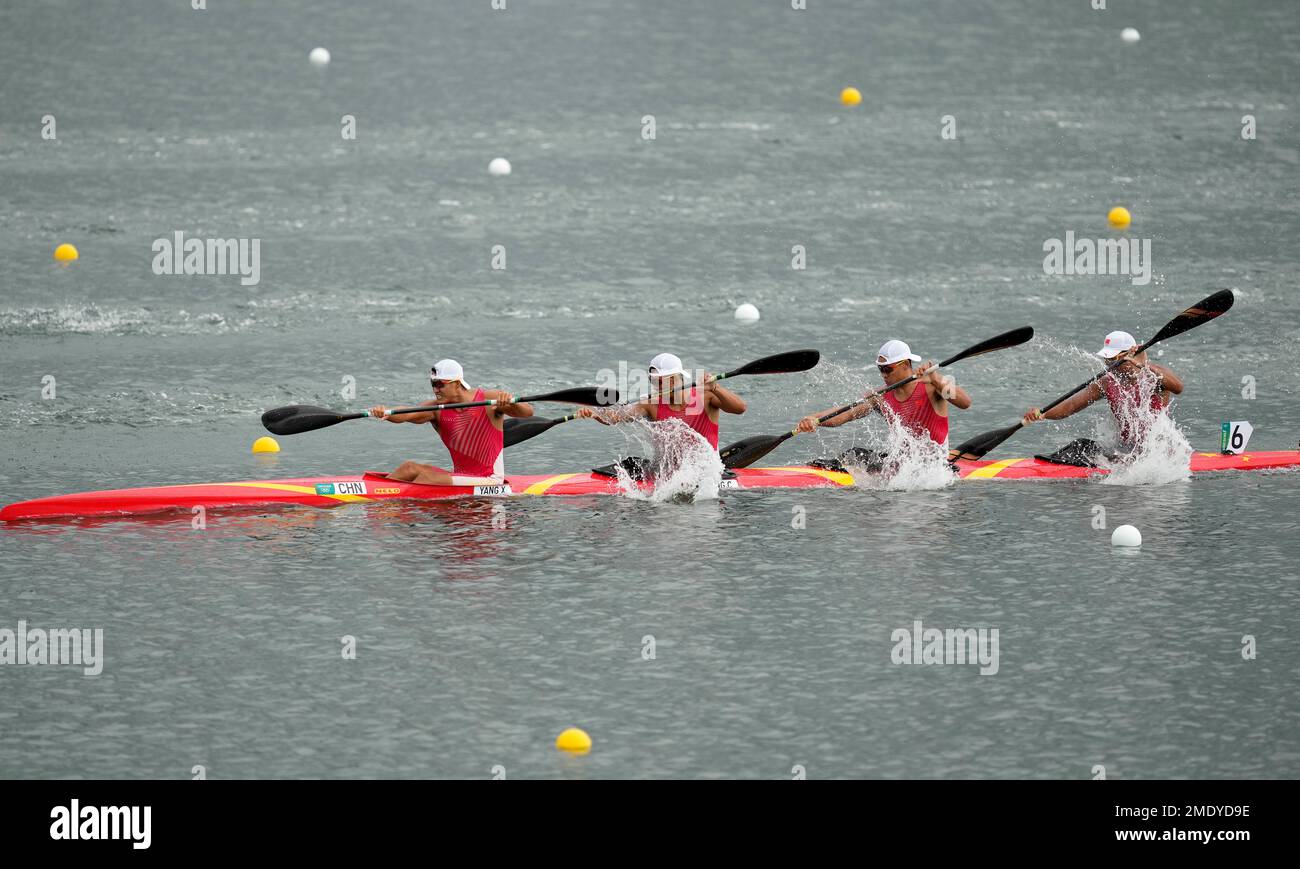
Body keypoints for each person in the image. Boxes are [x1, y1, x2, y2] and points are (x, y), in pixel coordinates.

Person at [369, 359, 532, 485]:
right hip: (462, 477)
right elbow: (406, 414)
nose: (435, 390)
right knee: (409, 467)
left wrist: (512, 403)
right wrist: (387, 413)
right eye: (433, 384)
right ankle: (372, 491)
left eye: (440, 384)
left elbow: (527, 413)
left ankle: (392, 505)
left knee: (427, 477)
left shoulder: (489, 399)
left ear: (456, 383)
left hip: (489, 480)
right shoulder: (436, 408)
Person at [1021, 330, 1183, 456]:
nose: (1108, 363)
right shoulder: (1107, 382)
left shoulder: (1152, 375)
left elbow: (1178, 387)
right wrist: (1042, 414)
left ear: (1129, 355)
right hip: (1125, 448)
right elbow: (1070, 406)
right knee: (1079, 447)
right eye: (1107, 359)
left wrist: (1143, 365)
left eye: (1112, 359)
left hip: (1155, 450)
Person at [794, 340, 971, 444]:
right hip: (903, 468)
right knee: (853, 455)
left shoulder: (933, 385)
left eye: (888, 369)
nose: (884, 374)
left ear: (906, 365)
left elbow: (965, 403)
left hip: (934, 467)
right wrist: (814, 419)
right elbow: (845, 414)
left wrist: (936, 379)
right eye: (881, 369)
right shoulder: (879, 397)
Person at [576, 352, 747, 448]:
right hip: (669, 476)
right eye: (655, 381)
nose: (660, 385)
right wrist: (594, 413)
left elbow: (740, 408)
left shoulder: (705, 395)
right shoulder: (650, 404)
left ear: (678, 377)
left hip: (706, 472)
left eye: (664, 379)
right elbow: (617, 417)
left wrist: (716, 388)